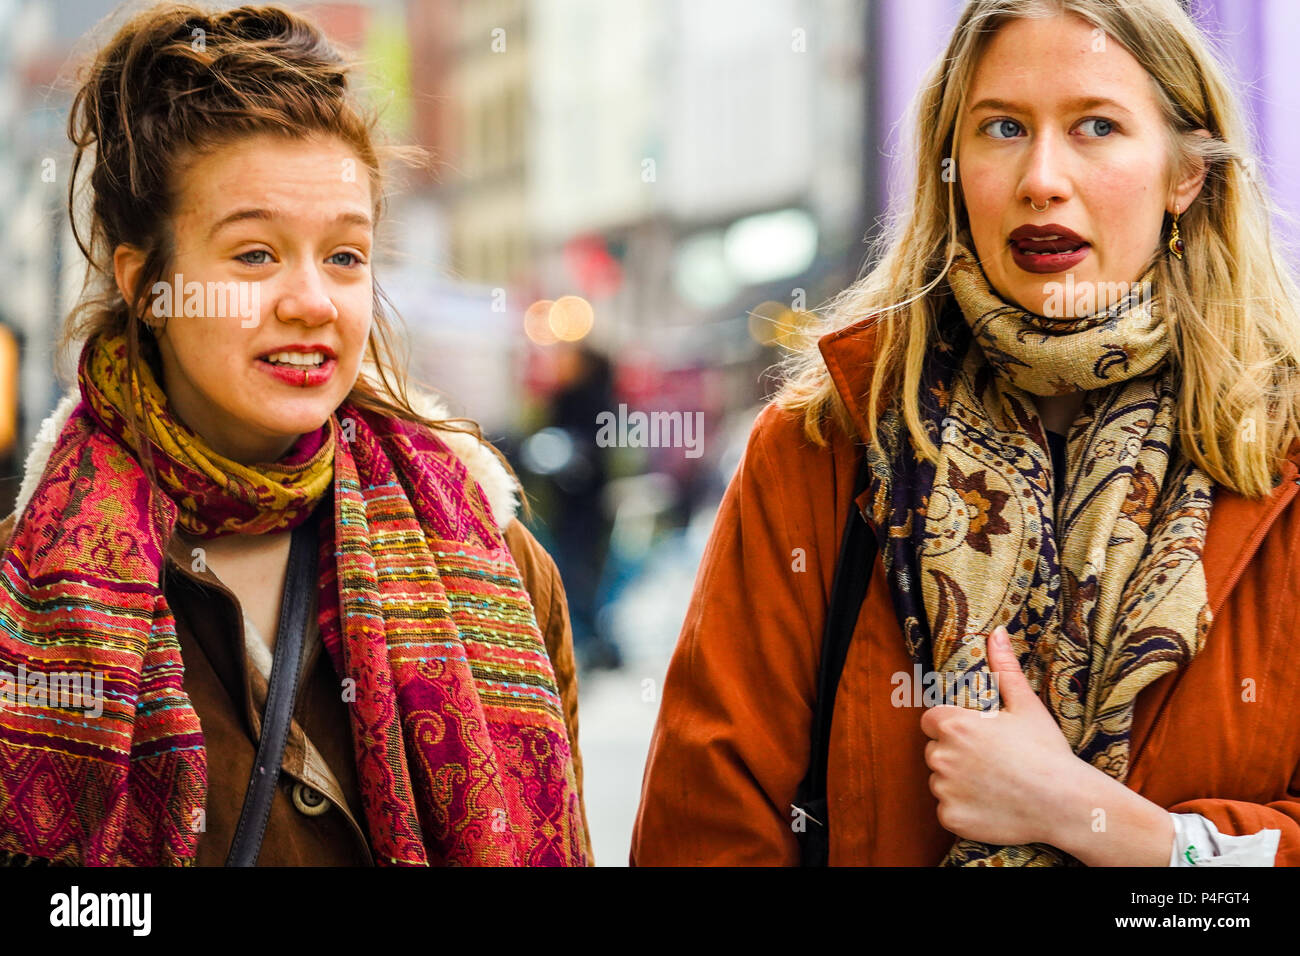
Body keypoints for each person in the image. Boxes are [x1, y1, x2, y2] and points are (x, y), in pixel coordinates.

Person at [632, 0, 1300, 866]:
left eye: (1097, 125)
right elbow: (705, 831)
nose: (1042, 179)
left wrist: (1104, 825)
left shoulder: (1280, 453)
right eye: (1002, 128)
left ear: (1184, 173)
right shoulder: (822, 446)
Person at [0, 3, 590, 866]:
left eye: (345, 256)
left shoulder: (498, 559)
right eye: (254, 255)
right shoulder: (27, 595)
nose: (312, 300)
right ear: (145, 284)